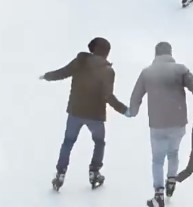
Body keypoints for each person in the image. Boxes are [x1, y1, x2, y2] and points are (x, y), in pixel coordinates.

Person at [41, 37, 128, 191]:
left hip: (75, 111)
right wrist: (124, 110)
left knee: (68, 142)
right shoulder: (108, 71)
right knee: (99, 142)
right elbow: (108, 96)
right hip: (95, 115)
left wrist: (47, 76)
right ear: (105, 52)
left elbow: (62, 73)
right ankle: (94, 172)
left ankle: (60, 173)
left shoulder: (80, 62)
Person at [127, 41, 193, 207]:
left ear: (155, 54)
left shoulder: (147, 73)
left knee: (157, 160)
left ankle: (158, 193)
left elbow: (136, 95)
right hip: (178, 122)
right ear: (170, 53)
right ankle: (171, 180)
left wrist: (133, 111)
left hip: (157, 124)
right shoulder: (181, 69)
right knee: (173, 153)